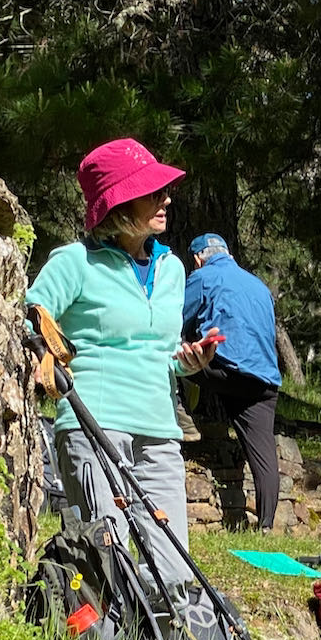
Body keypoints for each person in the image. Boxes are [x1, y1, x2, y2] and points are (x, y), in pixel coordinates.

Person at [27, 138, 215, 592]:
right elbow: (30, 320)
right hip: (95, 424)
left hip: (160, 429)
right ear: (120, 204)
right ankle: (101, 638)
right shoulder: (75, 262)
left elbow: (163, 351)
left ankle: (164, 638)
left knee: (173, 570)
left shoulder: (173, 269)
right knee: (106, 560)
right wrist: (46, 358)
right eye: (153, 192)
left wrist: (189, 361)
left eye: (164, 191)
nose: (166, 200)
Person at [182, 233, 283, 531]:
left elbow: (175, 322)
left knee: (169, 357)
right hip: (264, 381)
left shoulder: (203, 278)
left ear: (198, 259)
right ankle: (266, 525)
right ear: (229, 254)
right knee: (264, 454)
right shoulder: (259, 285)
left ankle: (179, 414)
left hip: (225, 371)